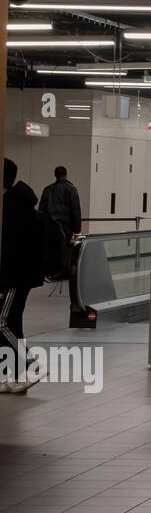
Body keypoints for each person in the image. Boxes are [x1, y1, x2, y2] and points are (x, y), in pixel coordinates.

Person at [1, 159, 46, 394]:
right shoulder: (19, 205)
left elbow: (10, 248)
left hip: (12, 277)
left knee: (2, 323)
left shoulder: (11, 209)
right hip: (21, 276)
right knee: (12, 323)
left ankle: (30, 367)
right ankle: (12, 376)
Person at [38, 166, 82, 241]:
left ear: (55, 175)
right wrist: (77, 231)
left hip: (50, 230)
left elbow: (41, 211)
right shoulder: (71, 189)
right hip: (66, 230)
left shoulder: (47, 190)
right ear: (66, 175)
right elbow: (76, 211)